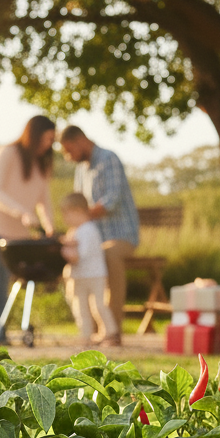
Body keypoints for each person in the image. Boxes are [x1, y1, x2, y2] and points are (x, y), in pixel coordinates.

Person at [0, 115, 56, 345]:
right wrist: (22, 212)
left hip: (18, 237)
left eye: (52, 140)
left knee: (3, 286)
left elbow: (44, 201)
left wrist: (50, 228)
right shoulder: (5, 153)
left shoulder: (42, 164)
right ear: (35, 134)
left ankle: (1, 334)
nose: (50, 144)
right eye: (47, 138)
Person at [59, 126, 140, 334]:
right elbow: (77, 204)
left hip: (121, 236)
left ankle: (112, 330)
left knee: (109, 255)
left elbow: (111, 200)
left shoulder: (108, 159)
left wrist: (82, 217)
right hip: (93, 238)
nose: (68, 157)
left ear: (80, 141)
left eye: (69, 150)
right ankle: (90, 327)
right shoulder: (80, 170)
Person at [60, 192, 119, 347]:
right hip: (79, 276)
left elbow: (79, 255)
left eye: (67, 214)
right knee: (80, 307)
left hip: (94, 275)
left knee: (99, 305)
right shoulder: (75, 231)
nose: (65, 219)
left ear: (78, 211)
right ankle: (85, 335)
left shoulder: (88, 230)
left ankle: (110, 333)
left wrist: (62, 252)